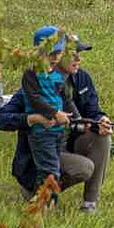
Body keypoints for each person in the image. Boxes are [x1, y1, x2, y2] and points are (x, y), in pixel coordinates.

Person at [0, 33, 113, 211]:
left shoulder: (82, 79)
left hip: (65, 144)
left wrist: (100, 120)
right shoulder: (37, 82)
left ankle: (90, 203)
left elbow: (92, 112)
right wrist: (31, 119)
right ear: (55, 56)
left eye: (79, 54)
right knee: (85, 168)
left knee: (102, 138)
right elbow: (1, 119)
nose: (78, 59)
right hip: (41, 152)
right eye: (73, 54)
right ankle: (37, 193)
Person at [20, 26, 77, 197]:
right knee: (49, 170)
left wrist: (78, 118)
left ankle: (40, 200)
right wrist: (54, 113)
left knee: (54, 167)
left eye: (57, 54)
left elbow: (66, 99)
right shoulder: (31, 74)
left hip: (58, 131)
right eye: (50, 54)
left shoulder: (58, 75)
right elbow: (35, 100)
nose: (54, 58)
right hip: (41, 131)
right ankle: (44, 204)